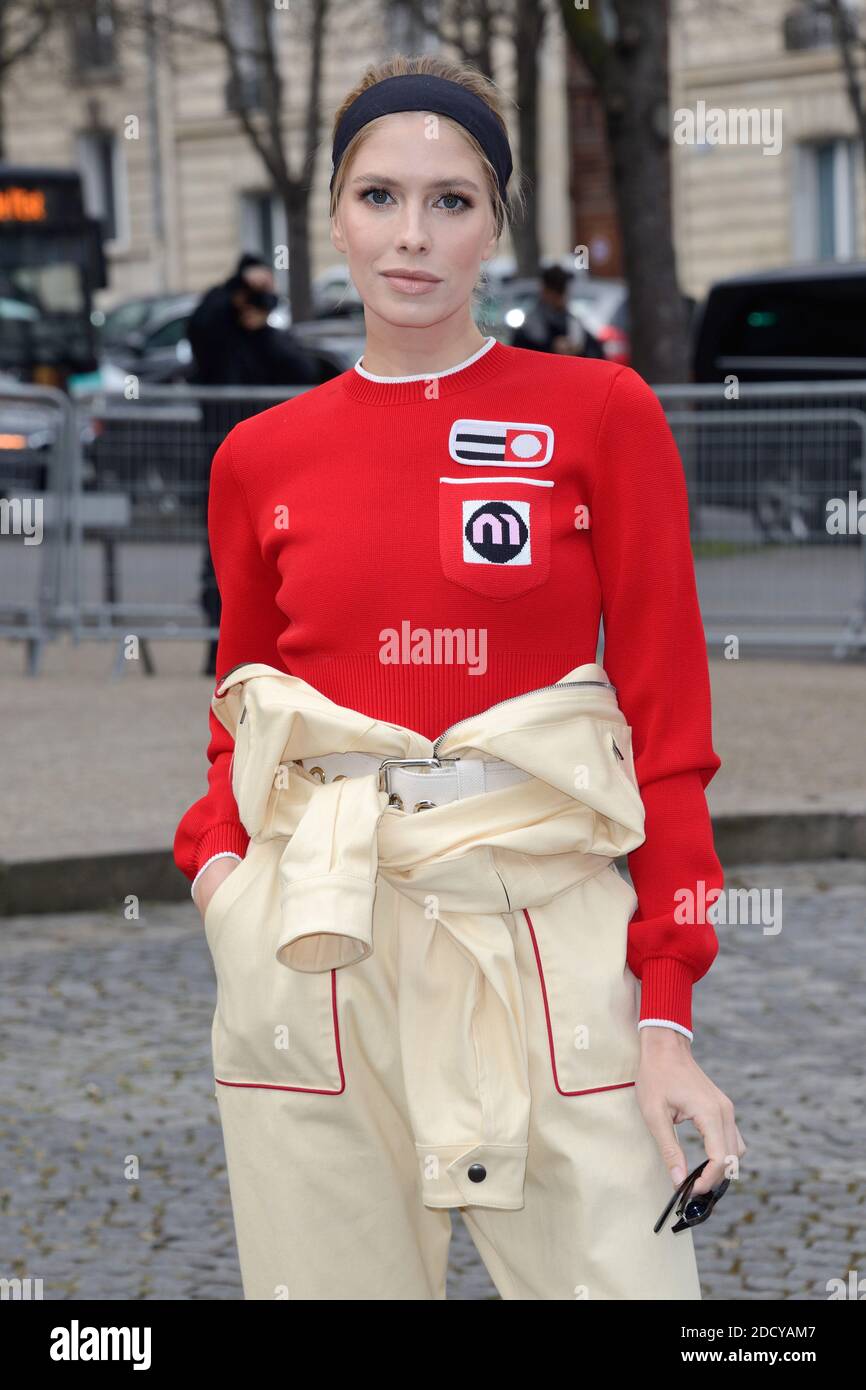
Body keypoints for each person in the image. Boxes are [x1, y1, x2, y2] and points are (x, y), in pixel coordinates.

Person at [173, 55, 744, 1301]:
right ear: (333, 214)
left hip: (547, 926)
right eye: (379, 196)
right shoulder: (259, 452)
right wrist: (223, 872)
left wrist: (664, 1002)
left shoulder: (599, 412)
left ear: (496, 221)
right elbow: (242, 698)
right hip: (319, 935)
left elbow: (666, 721)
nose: (411, 235)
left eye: (451, 199)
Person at [187, 252, 318, 675]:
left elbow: (301, 370)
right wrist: (238, 287)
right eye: (249, 297)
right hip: (223, 458)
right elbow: (203, 323)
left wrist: (262, 327)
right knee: (223, 561)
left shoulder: (269, 340)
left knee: (278, 556)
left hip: (275, 465)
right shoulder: (215, 328)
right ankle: (217, 648)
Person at [511, 262, 605, 358]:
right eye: (556, 293)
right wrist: (551, 348)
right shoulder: (531, 327)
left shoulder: (573, 323)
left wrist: (578, 349)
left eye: (560, 293)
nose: (559, 299)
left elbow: (597, 354)